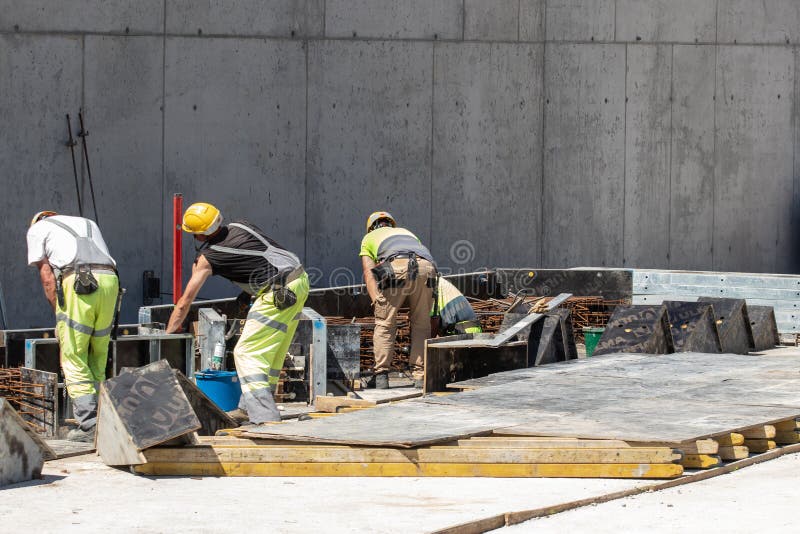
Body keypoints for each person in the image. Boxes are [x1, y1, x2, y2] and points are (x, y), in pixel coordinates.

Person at [165, 202, 308, 424]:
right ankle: (248, 408)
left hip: (276, 294)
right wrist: (249, 291)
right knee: (270, 352)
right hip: (298, 281)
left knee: (246, 353)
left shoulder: (207, 258)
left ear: (199, 236)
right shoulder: (241, 225)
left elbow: (185, 302)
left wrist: (168, 335)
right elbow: (258, 258)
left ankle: (265, 418)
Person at [26, 211, 119, 442]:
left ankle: (89, 425)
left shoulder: (38, 229)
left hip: (80, 283)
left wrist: (59, 315)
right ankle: (102, 420)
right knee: (98, 352)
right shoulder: (87, 223)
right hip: (111, 282)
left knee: (73, 356)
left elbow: (47, 277)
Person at [359, 211, 436, 389]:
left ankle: (381, 376)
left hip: (397, 267)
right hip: (427, 268)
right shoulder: (407, 232)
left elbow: (369, 273)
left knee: (385, 323)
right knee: (421, 323)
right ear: (391, 224)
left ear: (370, 227)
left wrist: (377, 301)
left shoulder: (369, 237)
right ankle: (419, 376)